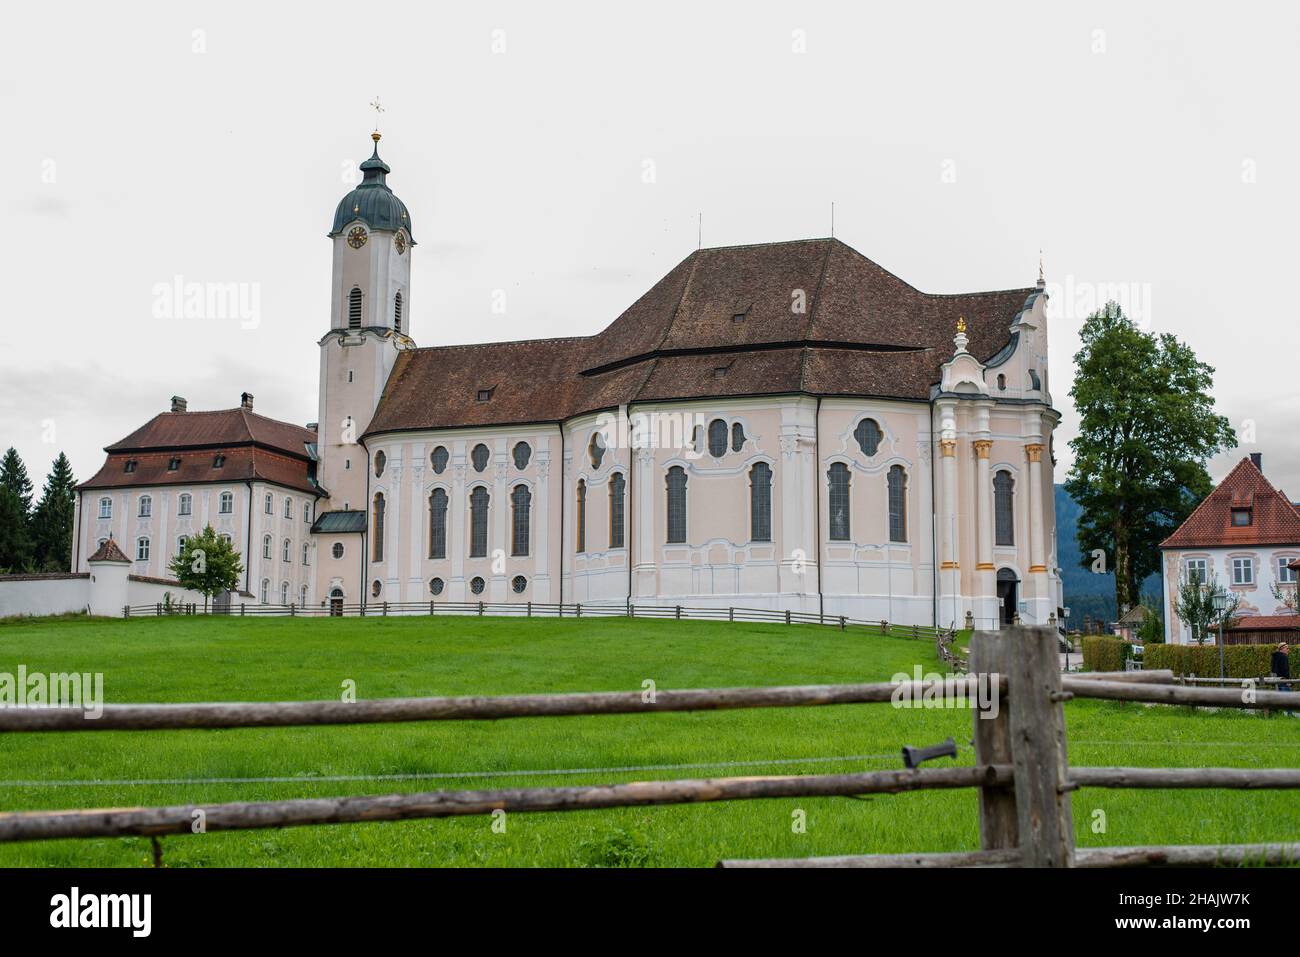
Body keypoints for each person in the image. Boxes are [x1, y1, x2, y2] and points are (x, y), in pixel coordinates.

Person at [1272, 642, 1293, 716]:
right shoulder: (1283, 657)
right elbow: (1285, 670)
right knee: (1288, 698)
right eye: (1287, 648)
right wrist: (1288, 681)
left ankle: (1277, 714)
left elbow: (1273, 670)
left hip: (1276, 680)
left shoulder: (1274, 657)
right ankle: (1289, 715)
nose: (1288, 650)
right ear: (1282, 649)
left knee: (1278, 699)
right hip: (1283, 680)